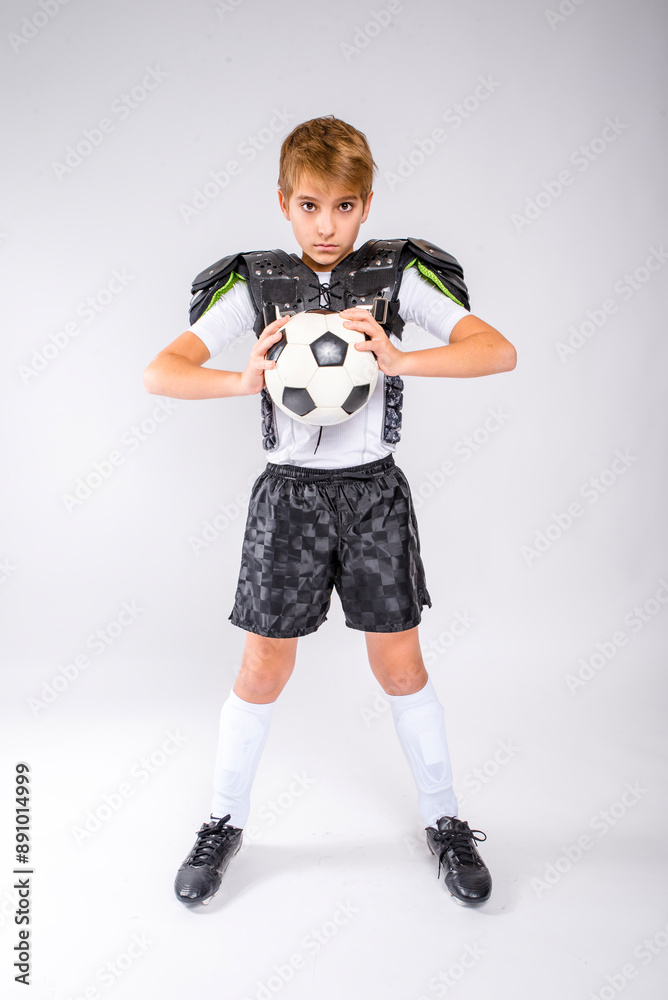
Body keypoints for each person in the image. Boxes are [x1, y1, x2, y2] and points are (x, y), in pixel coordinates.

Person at [143, 115, 516, 908]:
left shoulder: (398, 277)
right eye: (310, 205)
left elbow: (498, 350)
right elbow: (161, 372)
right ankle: (223, 820)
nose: (326, 224)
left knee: (401, 663)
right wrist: (239, 381)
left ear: (366, 206)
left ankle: (445, 822)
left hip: (374, 493)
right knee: (262, 665)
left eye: (343, 207)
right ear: (284, 203)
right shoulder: (256, 282)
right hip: (289, 500)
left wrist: (402, 356)